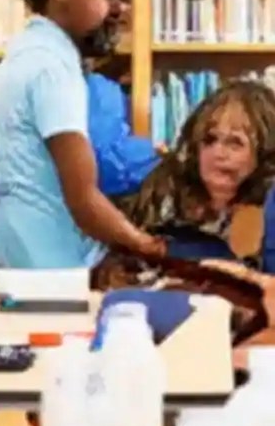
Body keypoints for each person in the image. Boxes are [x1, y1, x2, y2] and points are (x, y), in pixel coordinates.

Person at [0, 0, 163, 270]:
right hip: (50, 272)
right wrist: (149, 247)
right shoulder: (54, 71)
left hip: (12, 260)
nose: (119, 9)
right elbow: (84, 200)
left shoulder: (19, 56)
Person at [94, 80, 275, 288]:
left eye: (235, 143)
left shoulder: (268, 207)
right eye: (209, 140)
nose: (218, 153)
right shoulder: (160, 188)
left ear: (265, 154)